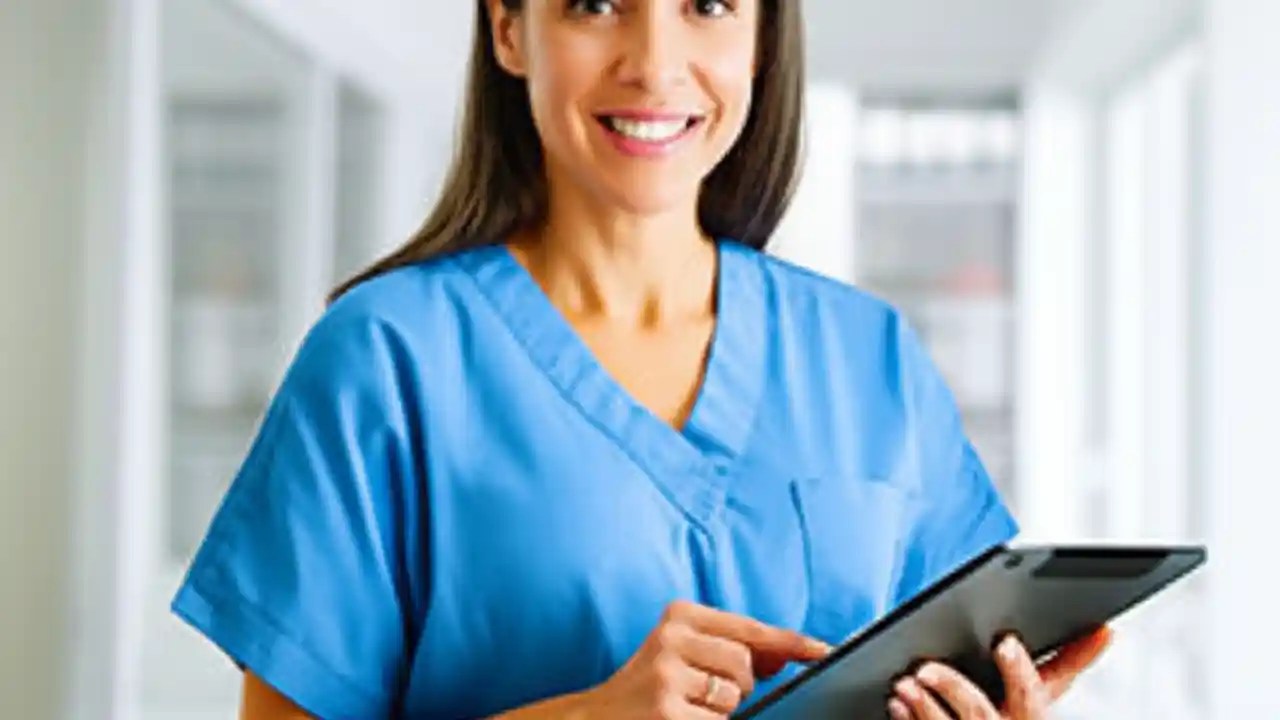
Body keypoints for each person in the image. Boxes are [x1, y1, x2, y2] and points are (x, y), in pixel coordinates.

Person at [171, 0, 1112, 718]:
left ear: (762, 37)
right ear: (508, 28)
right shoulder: (386, 361)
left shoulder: (871, 359)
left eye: (706, 4)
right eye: (592, 0)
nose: (655, 63)